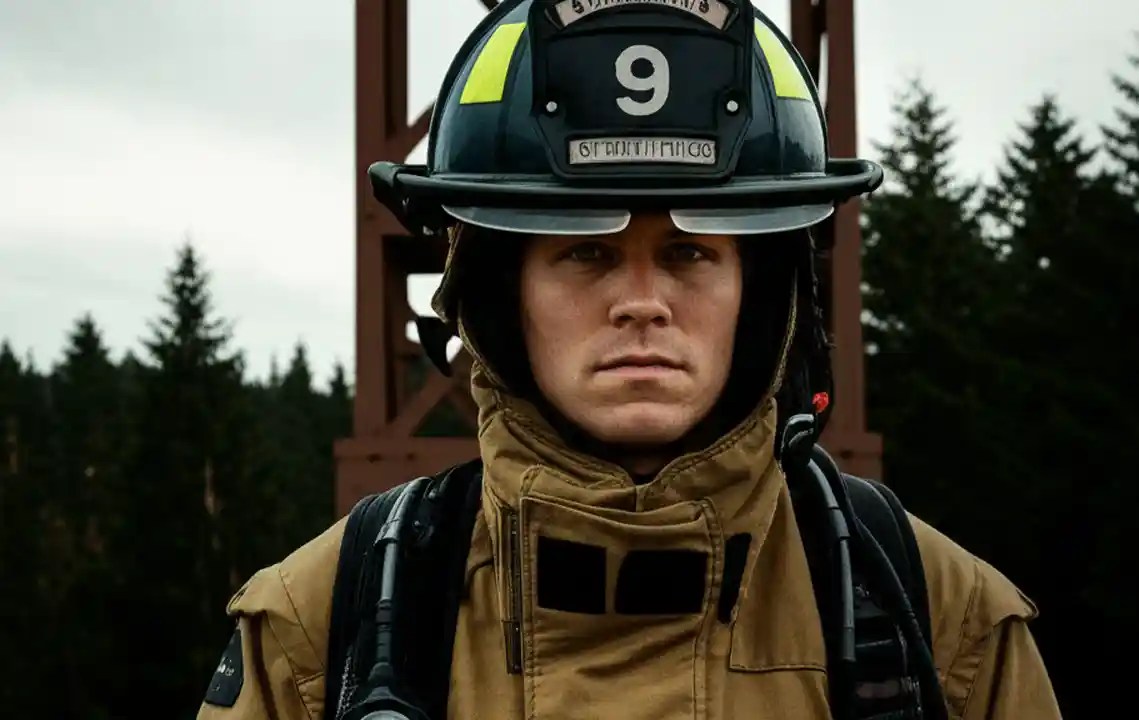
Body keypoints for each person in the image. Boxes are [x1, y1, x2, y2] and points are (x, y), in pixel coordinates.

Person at [196, 0, 1061, 718]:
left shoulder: (946, 629)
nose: (641, 300)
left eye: (691, 252)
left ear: (761, 299)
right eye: (585, 250)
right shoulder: (317, 635)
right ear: (500, 298)